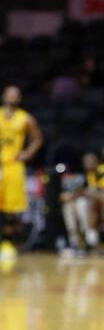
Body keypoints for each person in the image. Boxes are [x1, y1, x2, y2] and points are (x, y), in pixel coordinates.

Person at [0, 85, 43, 266]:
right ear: (3, 95)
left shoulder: (25, 118)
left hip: (14, 165)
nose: (12, 96)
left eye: (16, 94)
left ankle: (9, 243)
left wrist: (27, 153)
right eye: (10, 93)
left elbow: (38, 138)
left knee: (12, 209)